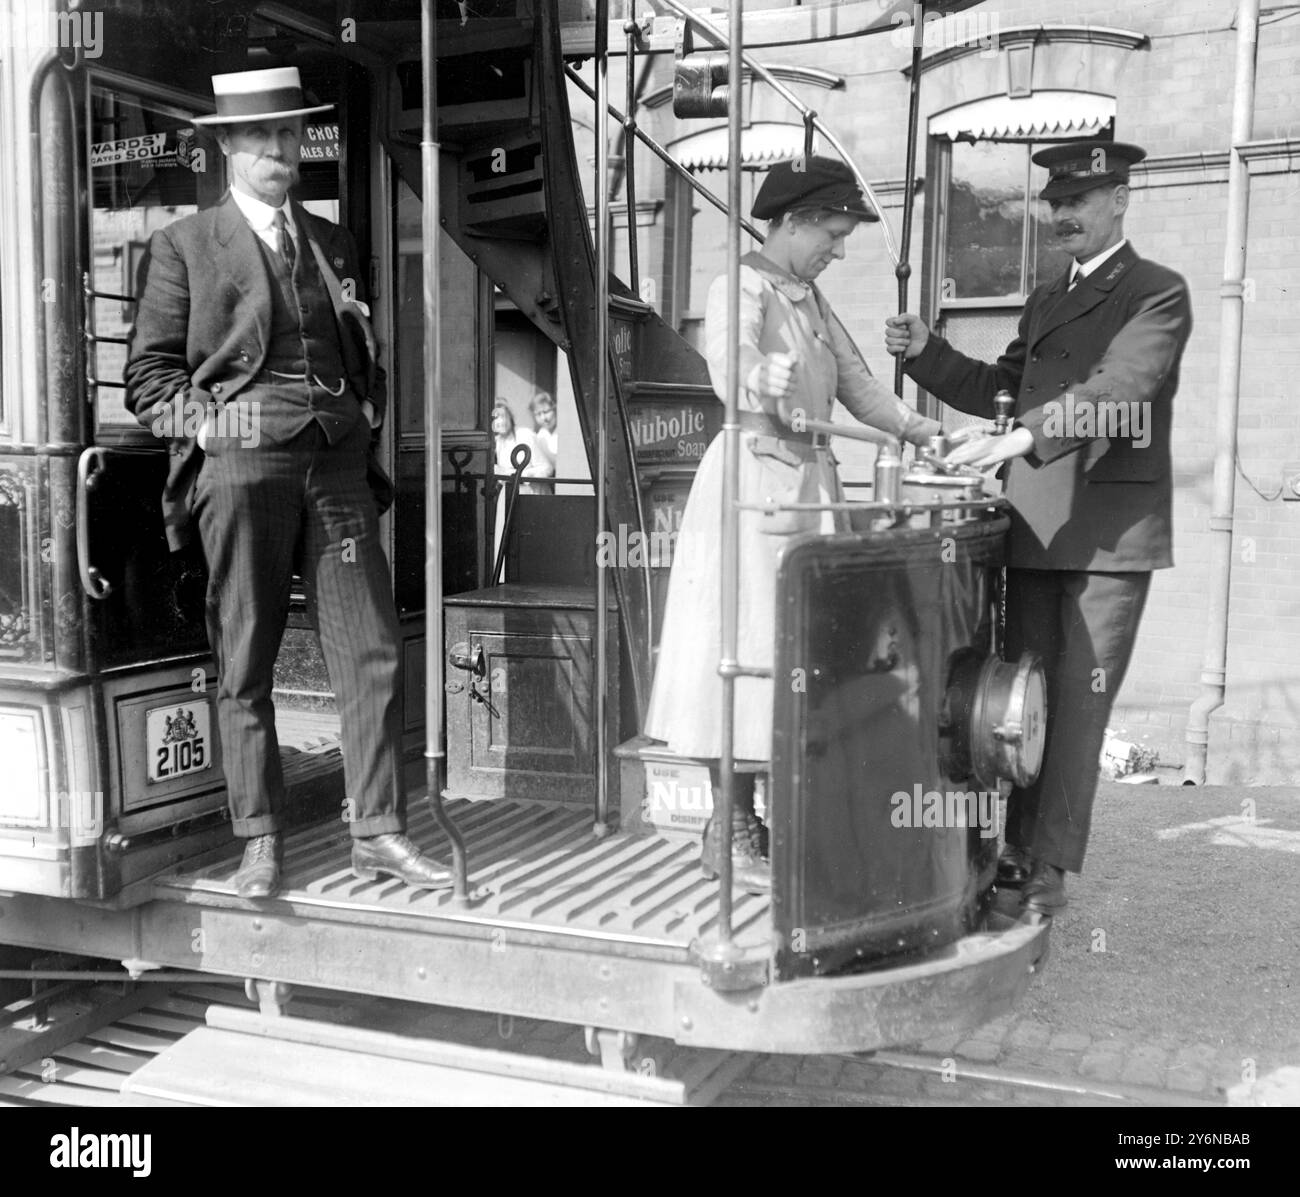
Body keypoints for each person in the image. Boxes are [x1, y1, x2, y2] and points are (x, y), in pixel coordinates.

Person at [125, 67, 454, 899]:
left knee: (373, 651)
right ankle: (261, 839)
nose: (277, 149)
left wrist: (369, 410)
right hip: (242, 465)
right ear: (228, 146)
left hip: (336, 465)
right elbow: (149, 379)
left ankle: (377, 830)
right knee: (247, 655)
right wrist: (208, 427)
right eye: (259, 136)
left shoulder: (332, 243)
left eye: (287, 133)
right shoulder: (185, 246)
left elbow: (357, 347)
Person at [885, 139, 1192, 916]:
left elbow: (1121, 389)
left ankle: (1046, 864)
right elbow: (1003, 389)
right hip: (1036, 525)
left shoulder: (1158, 293)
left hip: (1107, 538)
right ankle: (1014, 848)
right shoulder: (1048, 295)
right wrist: (928, 354)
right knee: (1019, 701)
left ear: (1120, 198)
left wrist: (1021, 439)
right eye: (1055, 203)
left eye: (1080, 201)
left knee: (1077, 705)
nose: (1063, 215)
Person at [646, 157, 942, 893]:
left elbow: (861, 388)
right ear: (792, 222)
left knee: (798, 653)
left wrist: (922, 432)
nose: (837, 252)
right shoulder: (739, 286)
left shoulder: (808, 298)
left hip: (809, 485)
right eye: (832, 236)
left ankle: (766, 816)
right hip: (755, 478)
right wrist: (759, 378)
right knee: (744, 648)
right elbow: (730, 364)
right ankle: (729, 824)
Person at [526, 391, 558, 494]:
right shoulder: (539, 436)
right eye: (538, 414)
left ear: (554, 409)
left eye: (546, 411)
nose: (544, 418)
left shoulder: (563, 432)